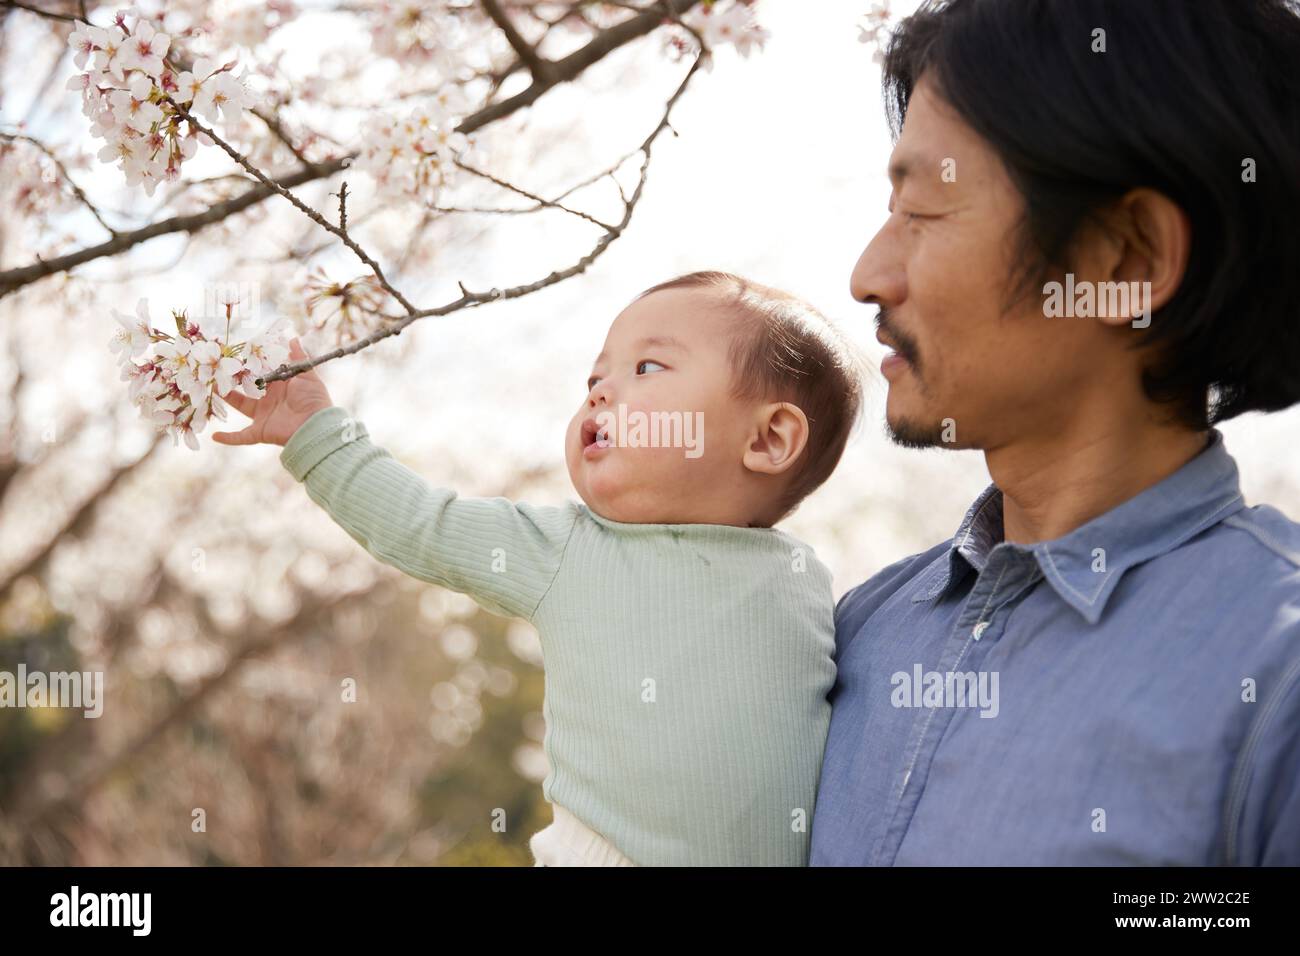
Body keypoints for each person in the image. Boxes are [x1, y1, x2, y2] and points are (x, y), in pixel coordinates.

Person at [810, 0, 1300, 865]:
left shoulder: (1279, 673)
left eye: (922, 213)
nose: (867, 276)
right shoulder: (859, 632)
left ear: (1129, 259)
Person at [215, 270, 863, 865]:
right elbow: (419, 522)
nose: (602, 391)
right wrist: (313, 430)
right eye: (594, 381)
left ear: (769, 439)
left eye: (648, 366)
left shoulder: (809, 585)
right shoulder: (566, 548)